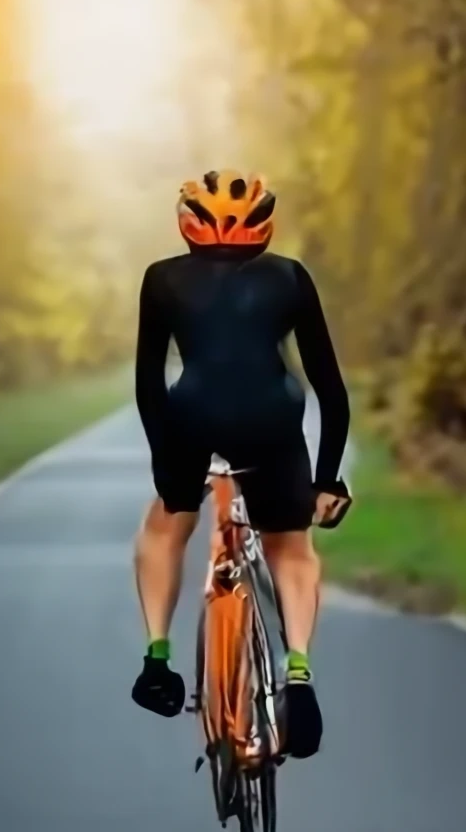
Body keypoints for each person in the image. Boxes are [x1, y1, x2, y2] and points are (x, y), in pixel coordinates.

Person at [130, 169, 351, 759]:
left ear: (187, 223)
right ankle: (297, 673)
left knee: (164, 529)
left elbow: (149, 382)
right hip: (273, 426)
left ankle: (157, 659)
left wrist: (166, 465)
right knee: (292, 548)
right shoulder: (290, 277)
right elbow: (330, 386)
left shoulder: (161, 280)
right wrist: (328, 478)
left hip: (192, 423)